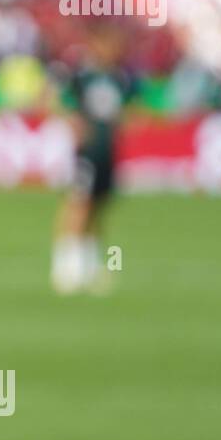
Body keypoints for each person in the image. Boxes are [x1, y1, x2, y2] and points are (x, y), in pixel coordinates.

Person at [50, 23, 139, 295]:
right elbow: (57, 99)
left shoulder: (121, 78)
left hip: (108, 151)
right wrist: (74, 124)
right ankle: (65, 266)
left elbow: (133, 106)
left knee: (100, 207)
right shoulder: (82, 76)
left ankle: (90, 266)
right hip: (87, 153)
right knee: (80, 203)